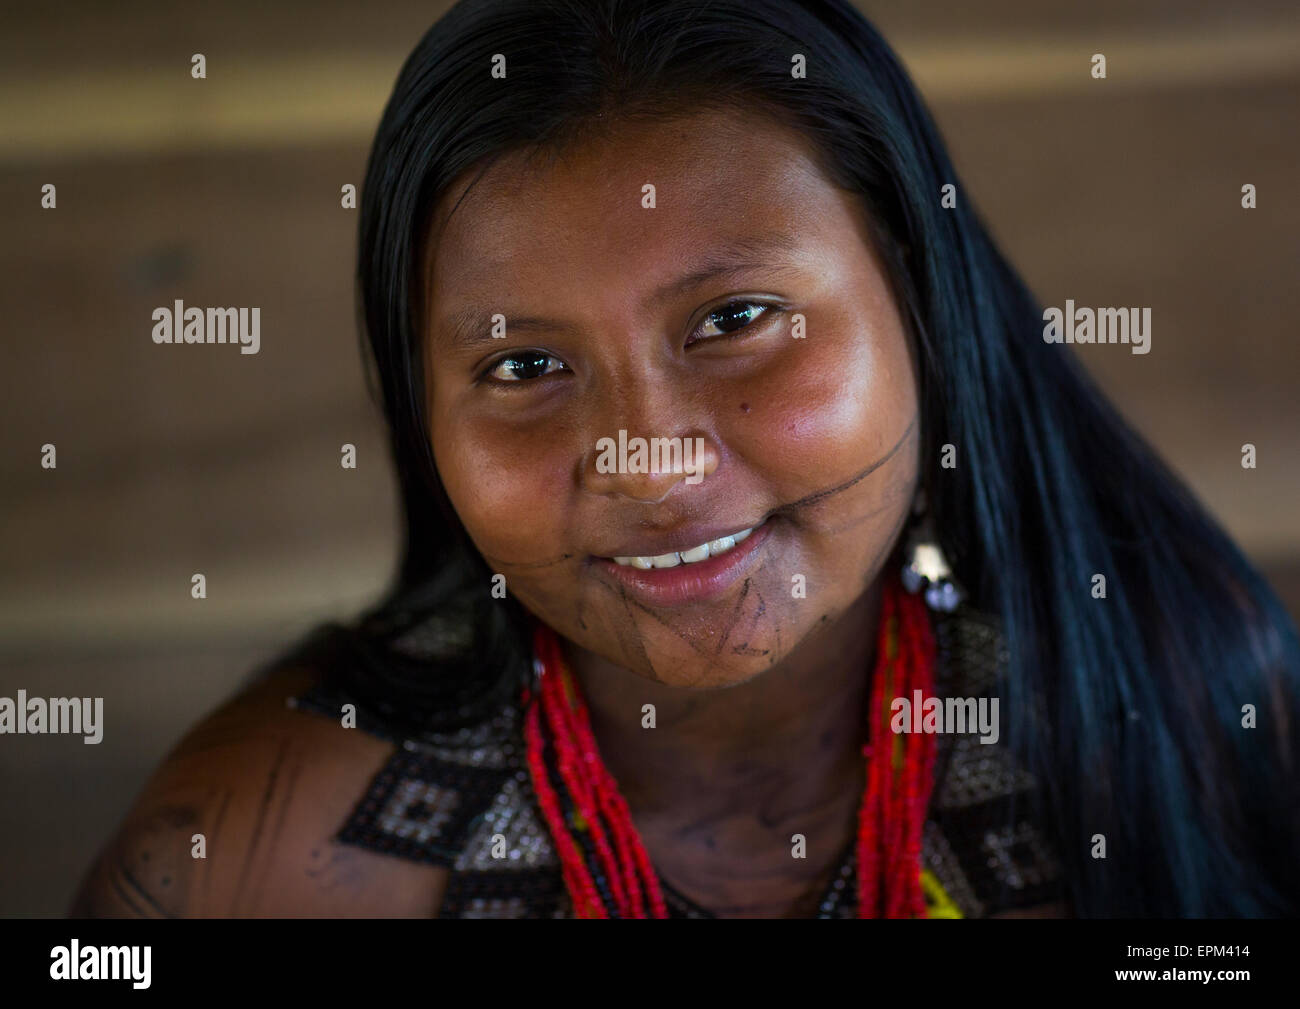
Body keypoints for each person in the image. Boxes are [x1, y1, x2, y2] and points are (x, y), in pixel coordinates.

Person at [70, 0, 1300, 919]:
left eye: (733, 320)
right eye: (521, 368)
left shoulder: (1180, 713)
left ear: (927, 310)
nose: (648, 463)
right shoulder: (254, 844)